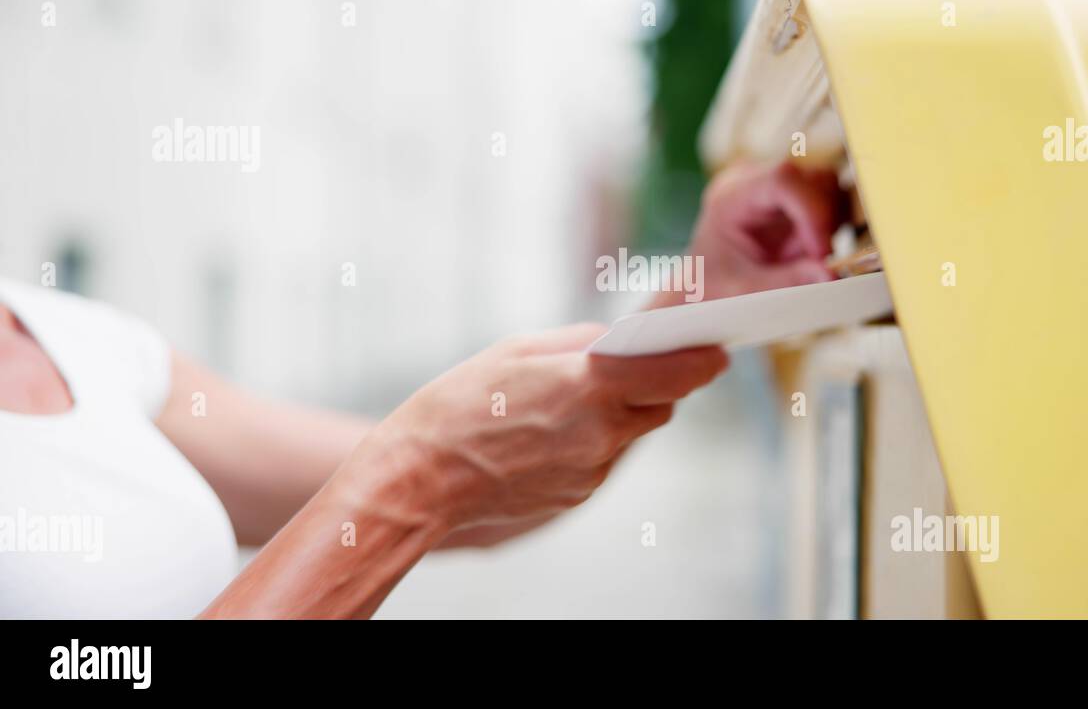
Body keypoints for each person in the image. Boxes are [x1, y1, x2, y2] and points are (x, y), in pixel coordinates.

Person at [0, 162, 846, 618]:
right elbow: (426, 479)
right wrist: (416, 480)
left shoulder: (80, 341)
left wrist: (699, 296)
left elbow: (496, 501)